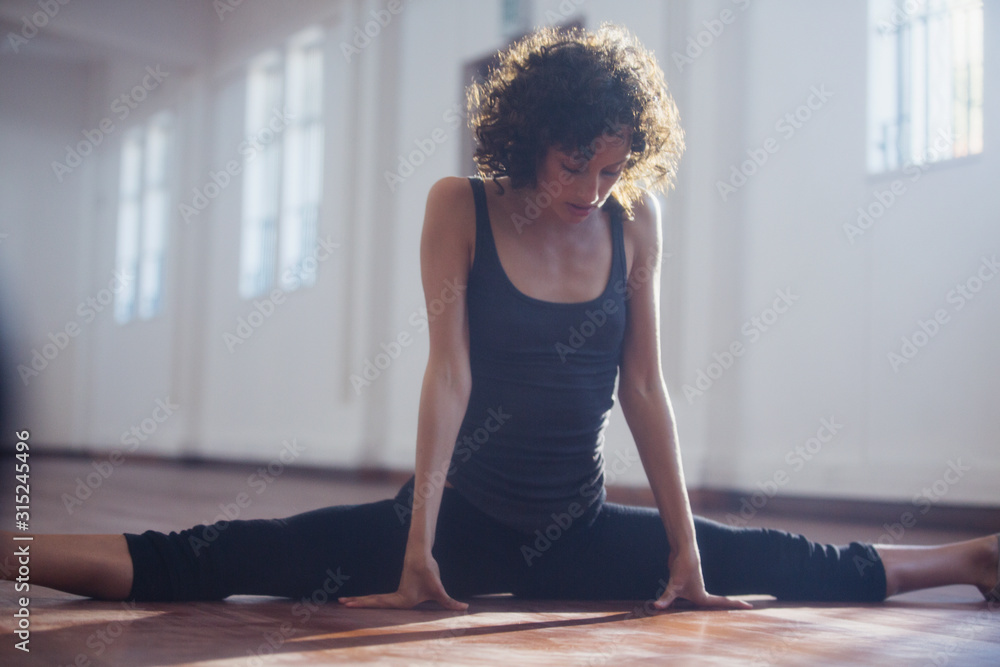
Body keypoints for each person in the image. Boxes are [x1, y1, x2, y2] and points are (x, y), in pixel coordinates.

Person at [2, 24, 997, 611]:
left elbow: (644, 388)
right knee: (220, 558)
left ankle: (967, 557)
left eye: (612, 168)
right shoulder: (457, 206)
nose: (593, 188)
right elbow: (449, 374)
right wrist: (415, 545)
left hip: (575, 524)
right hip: (454, 524)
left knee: (763, 557)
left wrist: (685, 546)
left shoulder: (633, 219)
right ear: (527, 142)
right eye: (576, 166)